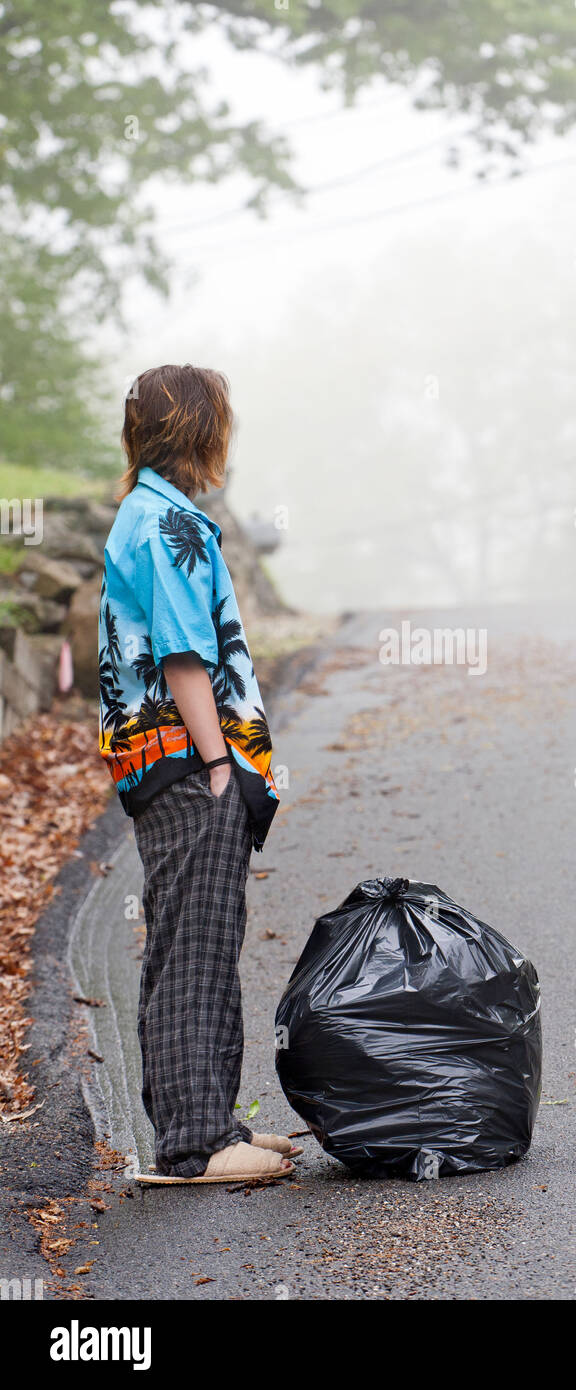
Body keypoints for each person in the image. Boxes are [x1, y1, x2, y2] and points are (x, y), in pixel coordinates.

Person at [98, 363, 299, 1183]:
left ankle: (207, 1121)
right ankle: (194, 1146)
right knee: (196, 948)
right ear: (202, 430)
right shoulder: (166, 526)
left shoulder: (154, 514)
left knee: (195, 938)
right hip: (187, 762)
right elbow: (184, 655)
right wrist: (222, 765)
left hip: (175, 760)